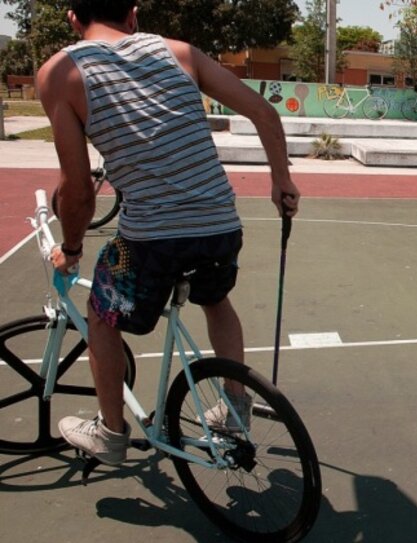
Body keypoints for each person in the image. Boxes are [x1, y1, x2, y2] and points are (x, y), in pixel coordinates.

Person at [37, 0, 300, 466]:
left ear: (74, 19)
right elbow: (264, 113)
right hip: (219, 223)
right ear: (133, 14)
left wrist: (72, 249)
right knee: (215, 300)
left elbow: (77, 191)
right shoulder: (180, 52)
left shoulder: (61, 73)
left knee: (101, 314)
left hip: (151, 239)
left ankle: (111, 433)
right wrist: (281, 180)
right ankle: (235, 402)